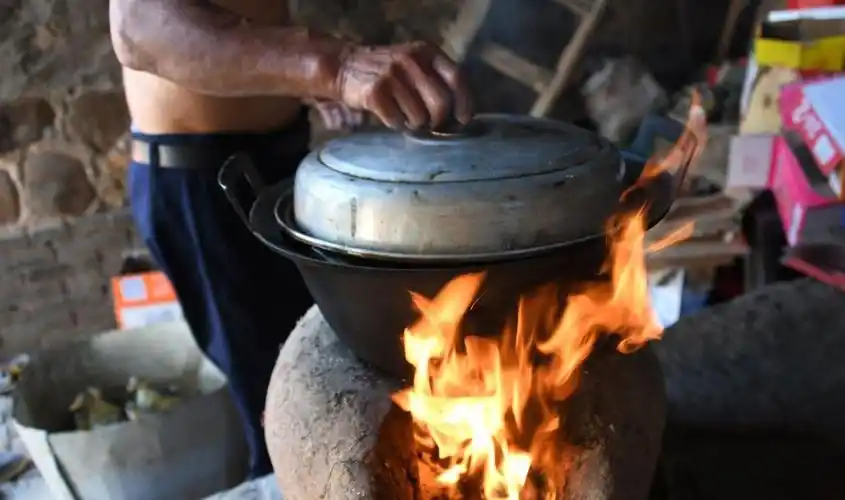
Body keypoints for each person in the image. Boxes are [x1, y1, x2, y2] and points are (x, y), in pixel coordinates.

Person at [108, 0, 473, 479]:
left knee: (323, 387)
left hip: (273, 157)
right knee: (282, 407)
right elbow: (139, 27)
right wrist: (335, 67)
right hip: (204, 178)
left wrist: (293, 82)